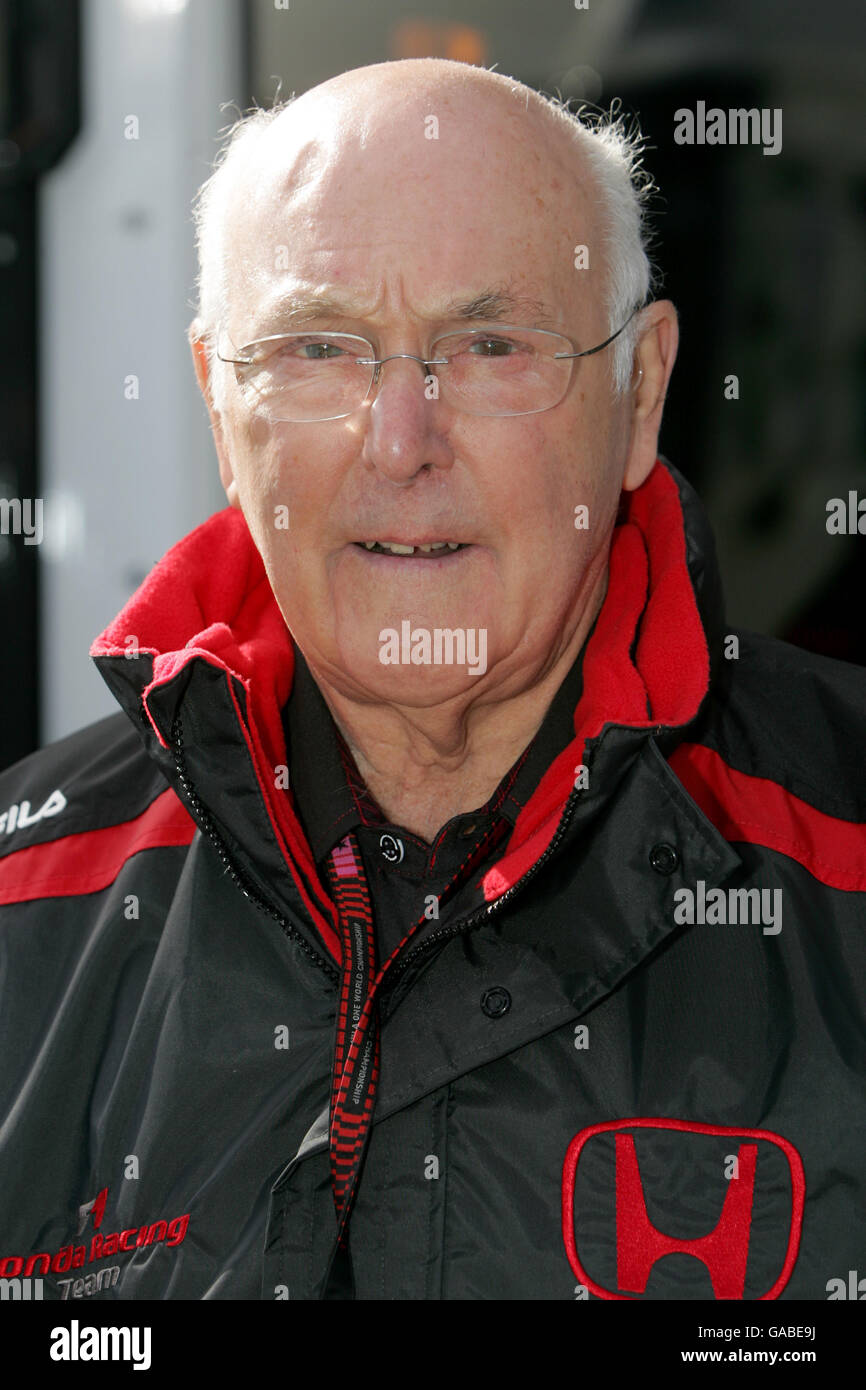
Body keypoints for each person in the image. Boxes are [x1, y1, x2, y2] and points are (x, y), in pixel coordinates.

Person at [0, 57, 863, 1303]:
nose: (400, 440)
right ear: (217, 408)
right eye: (318, 348)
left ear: (639, 394)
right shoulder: (25, 902)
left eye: (490, 342)